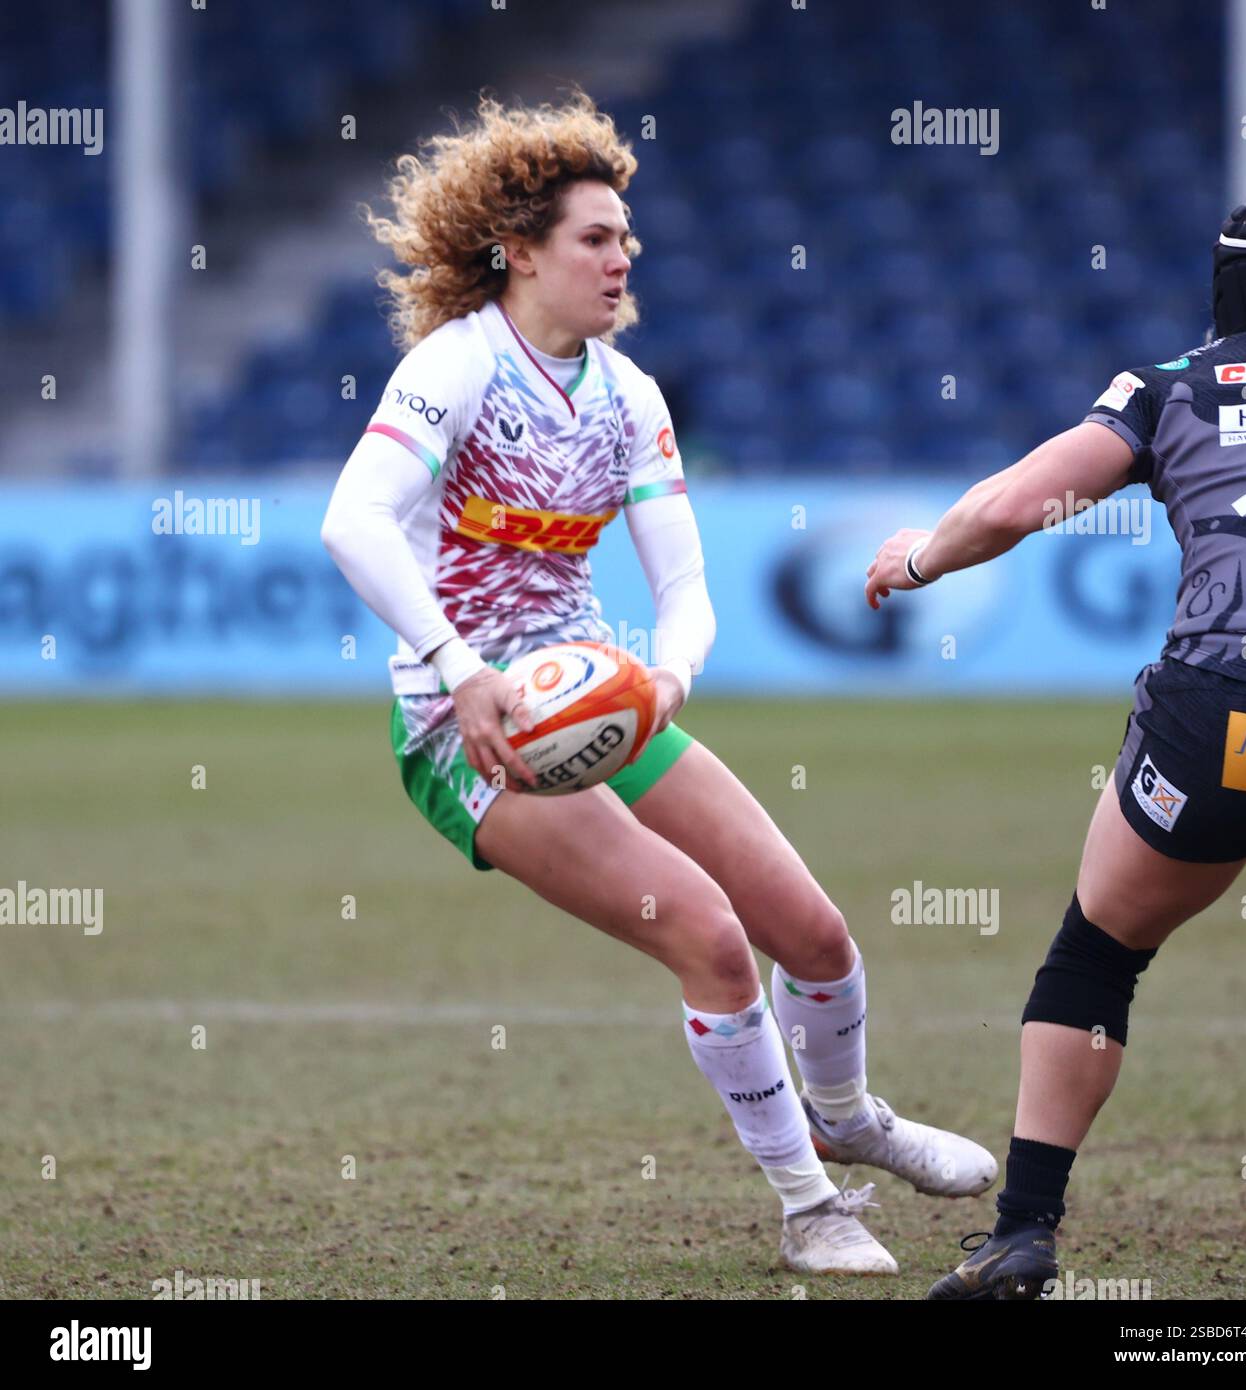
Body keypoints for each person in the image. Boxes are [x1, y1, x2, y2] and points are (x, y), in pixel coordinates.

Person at [321, 89, 995, 1277]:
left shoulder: (629, 396)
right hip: (465, 727)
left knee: (816, 934)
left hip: (597, 694)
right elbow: (353, 522)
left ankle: (848, 1115)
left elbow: (685, 587)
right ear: (518, 252)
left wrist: (669, 677)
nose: (622, 255)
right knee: (713, 937)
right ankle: (809, 1206)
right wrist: (459, 668)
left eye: (627, 236)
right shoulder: (457, 364)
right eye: (596, 236)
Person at [865, 187, 1246, 1299]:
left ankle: (1022, 1236)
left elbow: (1015, 506)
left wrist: (916, 561)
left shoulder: (1170, 388)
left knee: (1098, 953)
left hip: (1224, 715)